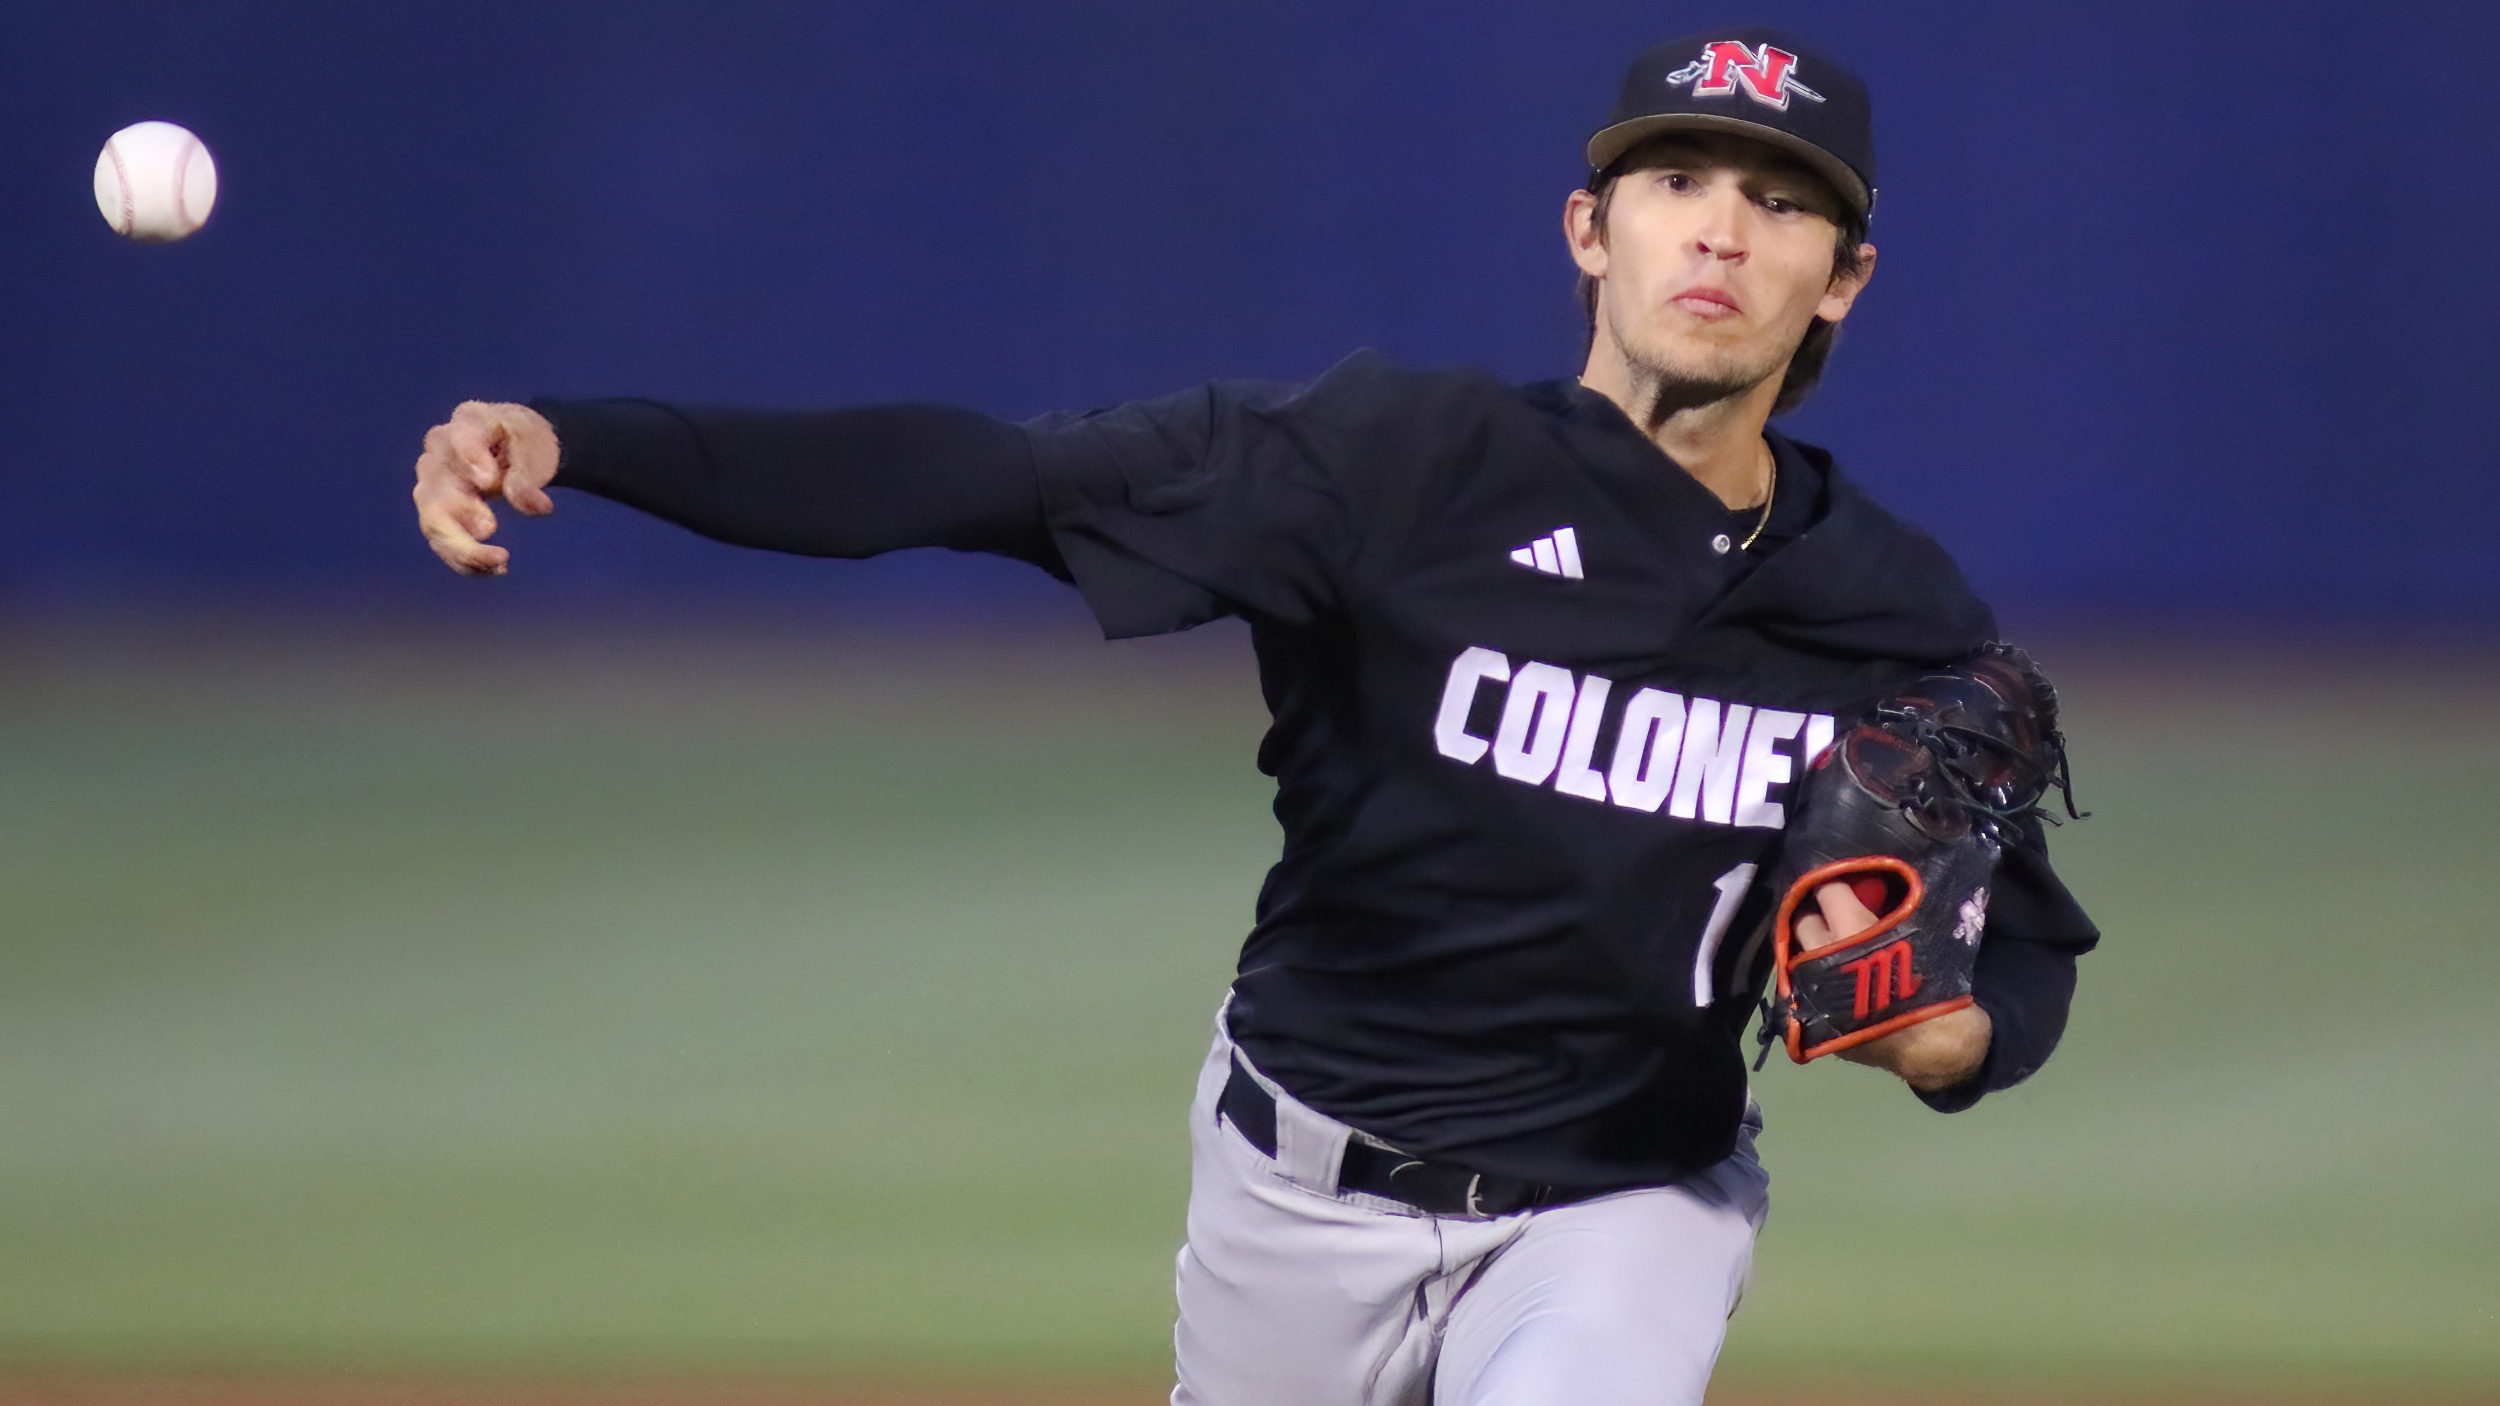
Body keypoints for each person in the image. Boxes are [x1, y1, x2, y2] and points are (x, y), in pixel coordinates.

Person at [408, 27, 2097, 1406]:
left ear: (1844, 278)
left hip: (1627, 1201)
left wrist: (1947, 1039)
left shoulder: (1891, 609)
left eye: (1779, 205)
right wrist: (584, 437)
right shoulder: (1393, 464)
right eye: (1675, 180)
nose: (1722, 230)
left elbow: (2016, 950)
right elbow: (978, 477)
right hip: (1298, 1189)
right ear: (1591, 230)